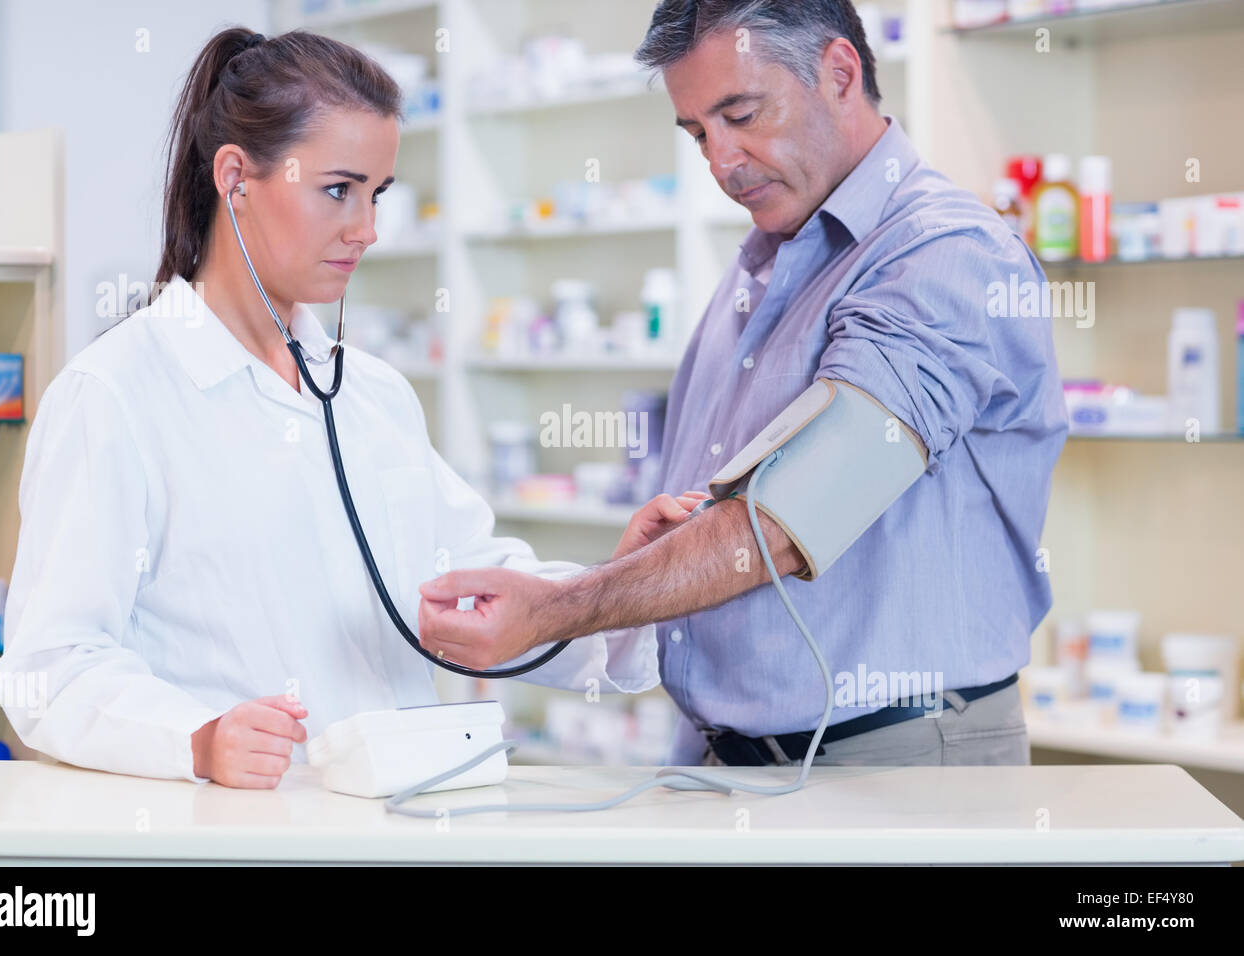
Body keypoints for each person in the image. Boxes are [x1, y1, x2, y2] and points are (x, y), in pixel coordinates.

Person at [0, 27, 676, 790]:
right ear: (235, 178)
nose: (367, 229)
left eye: (376, 194)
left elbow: (473, 580)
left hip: (404, 822)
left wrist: (613, 587)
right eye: (337, 190)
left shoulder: (374, 393)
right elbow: (49, 666)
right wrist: (194, 738)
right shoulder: (116, 395)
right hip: (245, 834)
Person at [415, 0, 1068, 769]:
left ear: (839, 72)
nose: (722, 161)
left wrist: (558, 610)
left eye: (742, 114)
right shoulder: (764, 262)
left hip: (896, 758)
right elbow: (714, 519)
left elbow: (786, 521)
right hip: (733, 761)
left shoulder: (945, 253)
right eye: (697, 133)